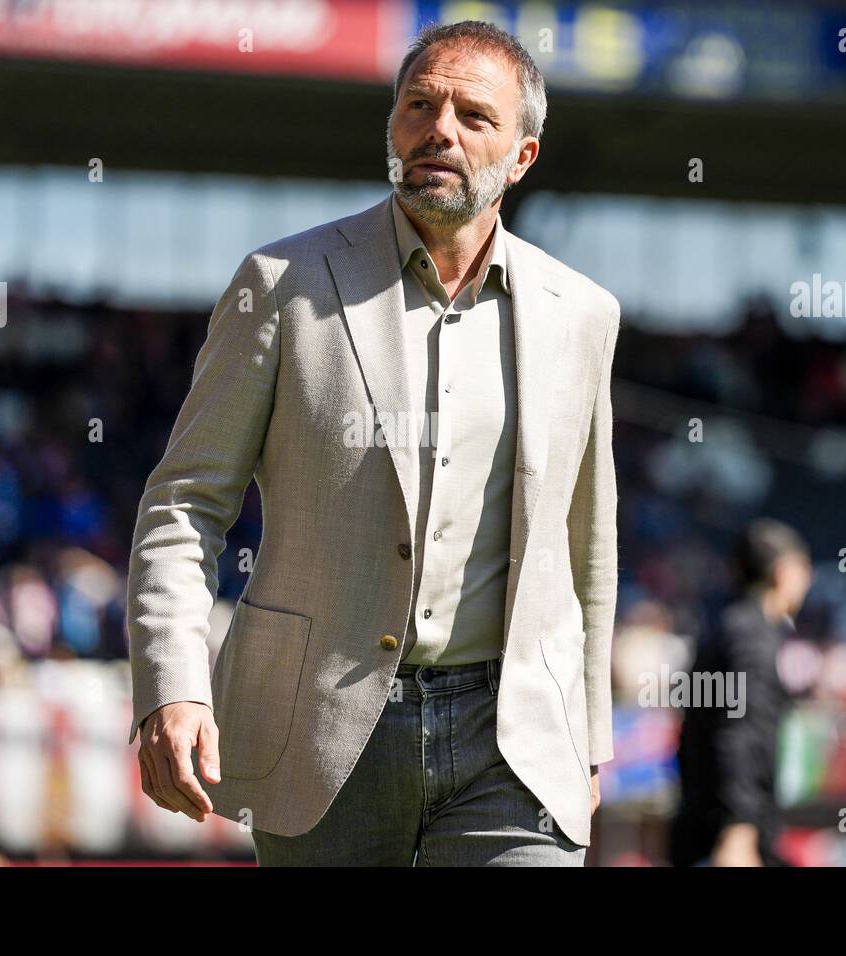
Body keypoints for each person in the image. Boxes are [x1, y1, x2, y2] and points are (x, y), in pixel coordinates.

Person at [127, 20, 622, 866]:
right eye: (420, 105)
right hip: (323, 736)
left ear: (524, 156)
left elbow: (588, 547)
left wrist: (589, 739)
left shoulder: (581, 314)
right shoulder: (281, 286)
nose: (441, 129)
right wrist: (171, 685)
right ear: (391, 127)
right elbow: (184, 505)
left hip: (514, 746)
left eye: (475, 116)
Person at [669, 519, 813, 867]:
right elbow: (740, 734)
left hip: (701, 825)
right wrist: (739, 828)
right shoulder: (752, 637)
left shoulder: (723, 626)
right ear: (783, 572)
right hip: (727, 837)